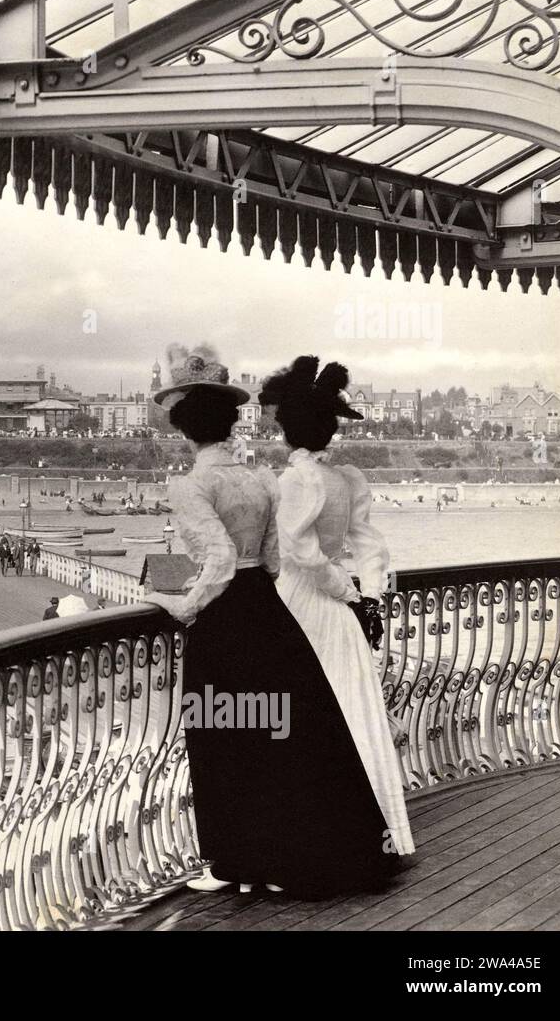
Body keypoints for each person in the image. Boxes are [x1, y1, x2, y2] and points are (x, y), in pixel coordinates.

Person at [144, 352, 394, 900]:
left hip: (226, 619)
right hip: (269, 613)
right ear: (232, 425)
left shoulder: (188, 486)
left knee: (223, 737)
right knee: (281, 736)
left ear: (184, 429)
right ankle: (285, 858)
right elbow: (276, 558)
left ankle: (236, 860)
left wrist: (180, 605)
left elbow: (218, 561)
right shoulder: (262, 480)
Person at [260, 356, 414, 862]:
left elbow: (300, 554)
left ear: (288, 432)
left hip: (299, 604)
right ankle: (367, 829)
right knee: (351, 712)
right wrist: (367, 598)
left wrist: (348, 594)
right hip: (338, 612)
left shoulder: (296, 481)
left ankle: (302, 837)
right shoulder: (346, 479)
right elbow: (371, 548)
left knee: (295, 716)